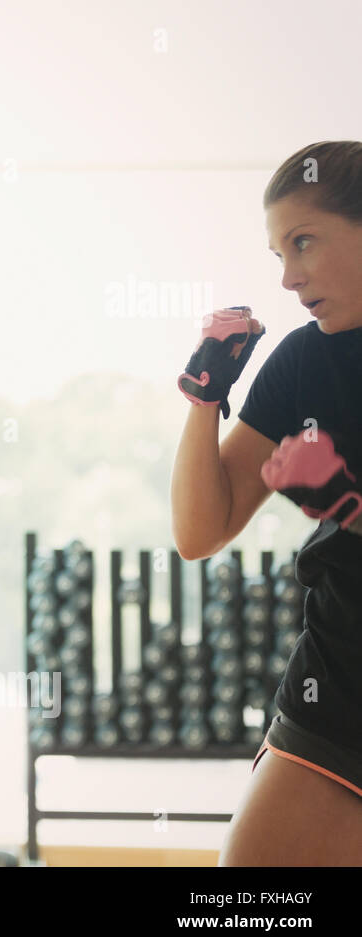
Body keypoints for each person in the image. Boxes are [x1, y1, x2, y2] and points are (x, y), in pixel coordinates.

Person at [173, 140, 362, 865]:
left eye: (304, 241)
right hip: (339, 684)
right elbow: (200, 531)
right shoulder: (302, 361)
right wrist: (204, 398)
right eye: (278, 252)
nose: (287, 277)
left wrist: (348, 503)